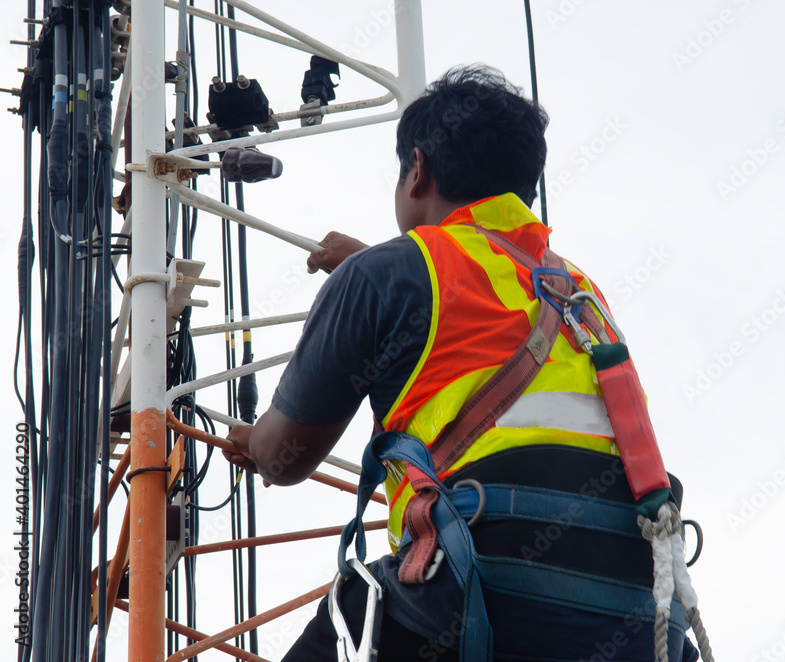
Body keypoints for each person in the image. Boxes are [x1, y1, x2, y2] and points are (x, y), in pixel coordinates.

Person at [224, 65, 698, 662]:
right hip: (637, 616)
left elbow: (283, 458)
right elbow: (480, 311)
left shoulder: (385, 276)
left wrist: (254, 440)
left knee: (351, 619)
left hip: (481, 594)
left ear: (417, 168)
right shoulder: (580, 295)